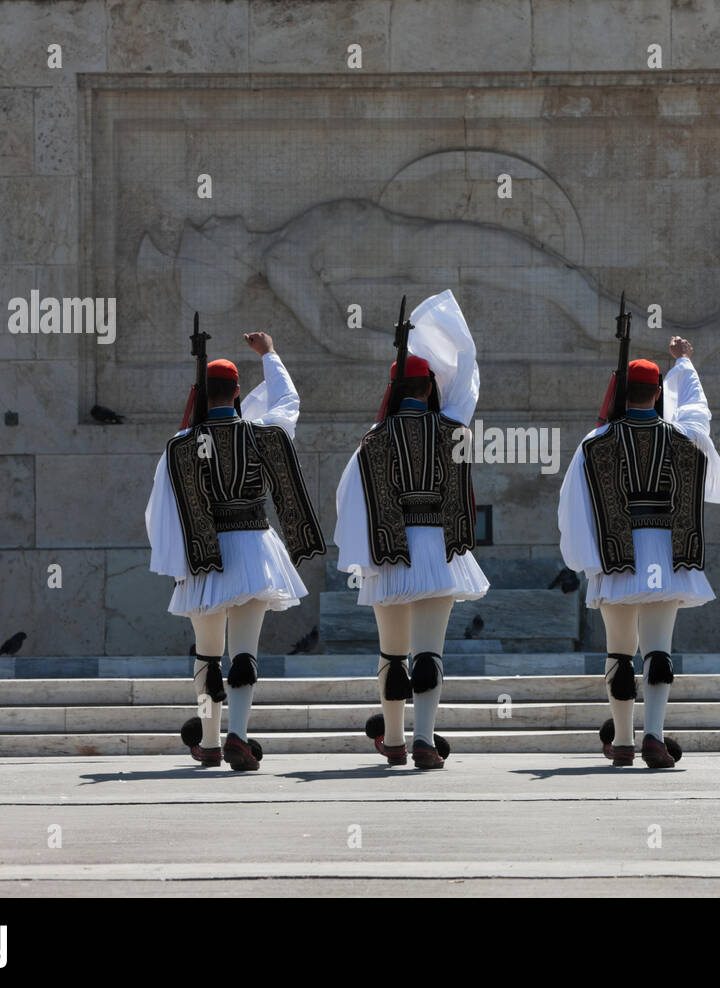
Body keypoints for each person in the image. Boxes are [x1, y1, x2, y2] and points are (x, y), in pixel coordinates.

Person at [145, 331, 324, 771]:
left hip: (204, 555)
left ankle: (208, 740)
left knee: (207, 655)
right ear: (238, 393)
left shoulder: (180, 446)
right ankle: (238, 737)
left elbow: (160, 512)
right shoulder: (264, 434)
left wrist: (175, 561)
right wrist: (270, 355)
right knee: (245, 652)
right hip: (254, 549)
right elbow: (288, 401)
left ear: (201, 394)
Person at [558, 336, 720, 768]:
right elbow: (696, 411)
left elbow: (573, 509)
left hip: (617, 557)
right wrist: (685, 364)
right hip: (667, 556)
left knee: (619, 651)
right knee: (658, 651)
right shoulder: (685, 438)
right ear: (658, 395)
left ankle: (621, 742)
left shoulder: (594, 443)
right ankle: (653, 737)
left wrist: (585, 562)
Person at [334, 291, 488, 770]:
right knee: (429, 654)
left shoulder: (371, 442)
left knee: (392, 655)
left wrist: (363, 557)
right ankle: (425, 740)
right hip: (440, 552)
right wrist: (444, 336)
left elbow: (349, 503)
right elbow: (466, 382)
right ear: (431, 388)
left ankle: (395, 742)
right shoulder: (454, 430)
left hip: (388, 555)